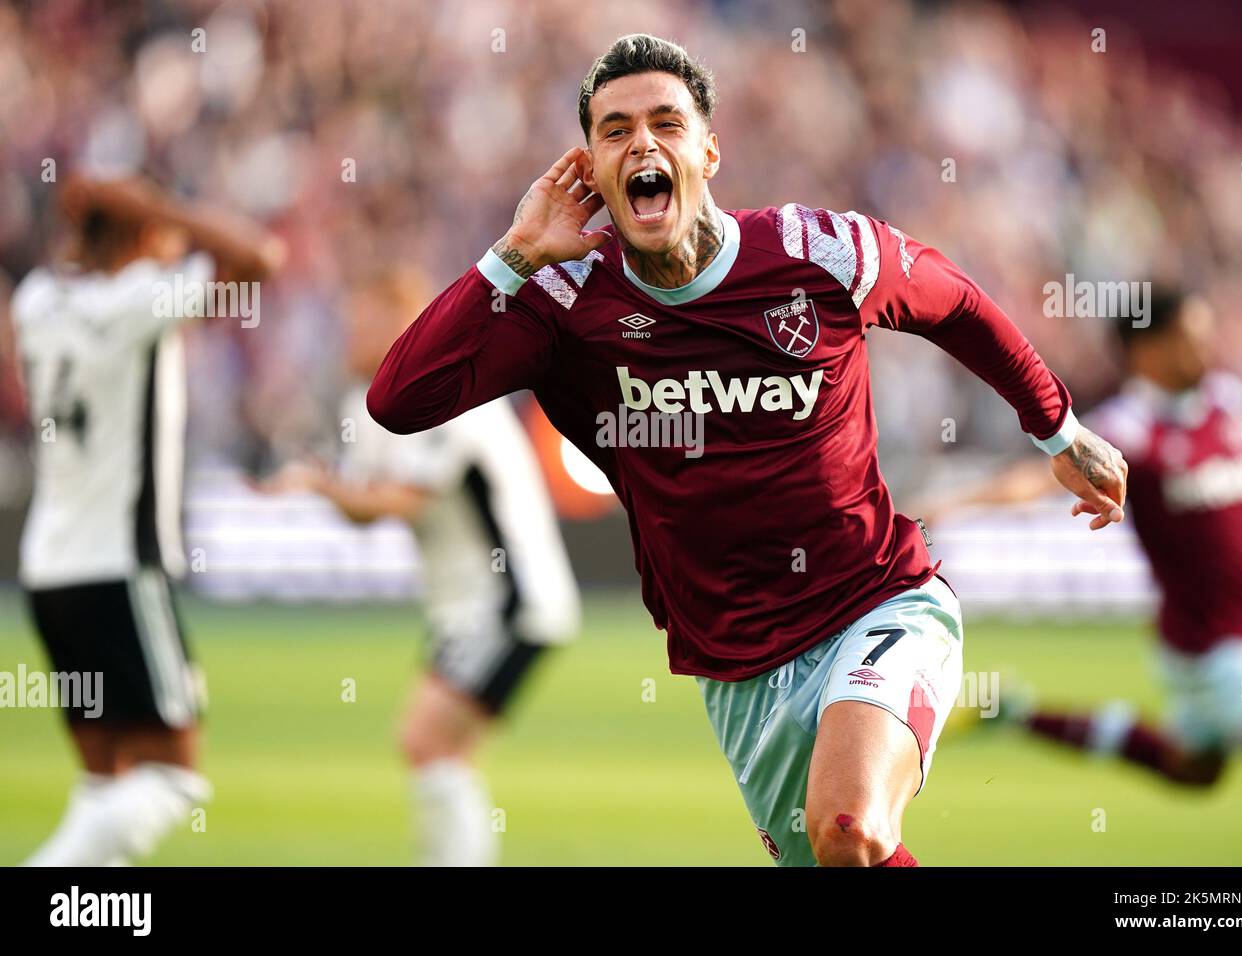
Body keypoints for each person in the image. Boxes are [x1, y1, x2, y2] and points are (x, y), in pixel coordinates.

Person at [366, 34, 1127, 866]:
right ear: (588, 167)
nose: (643, 144)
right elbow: (400, 402)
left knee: (851, 829)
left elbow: (957, 304)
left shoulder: (819, 252)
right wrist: (512, 257)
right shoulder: (564, 302)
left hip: (876, 603)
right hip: (734, 664)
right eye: (616, 131)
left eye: (666, 123)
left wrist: (1058, 429)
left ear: (709, 150)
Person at [263, 265, 579, 865]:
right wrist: (323, 485)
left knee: (426, 741)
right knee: (441, 752)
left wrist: (315, 484)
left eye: (361, 322)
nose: (348, 336)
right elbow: (366, 511)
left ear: (398, 327)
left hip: (511, 602)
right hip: (467, 606)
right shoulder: (368, 405)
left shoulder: (451, 395)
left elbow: (402, 499)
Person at [917, 290, 1242, 785]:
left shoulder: (1228, 401)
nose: (1206, 349)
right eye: (1191, 340)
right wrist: (952, 506)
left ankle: (1017, 713)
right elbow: (1039, 479)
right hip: (1215, 648)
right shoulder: (1130, 428)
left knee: (1193, 767)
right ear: (1148, 351)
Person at [16, 174, 282, 865]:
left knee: (104, 785)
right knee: (172, 778)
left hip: (49, 571)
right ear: (140, 232)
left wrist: (126, 215)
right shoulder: (140, 300)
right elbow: (260, 259)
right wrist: (163, 206)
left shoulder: (36, 299)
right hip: (119, 565)